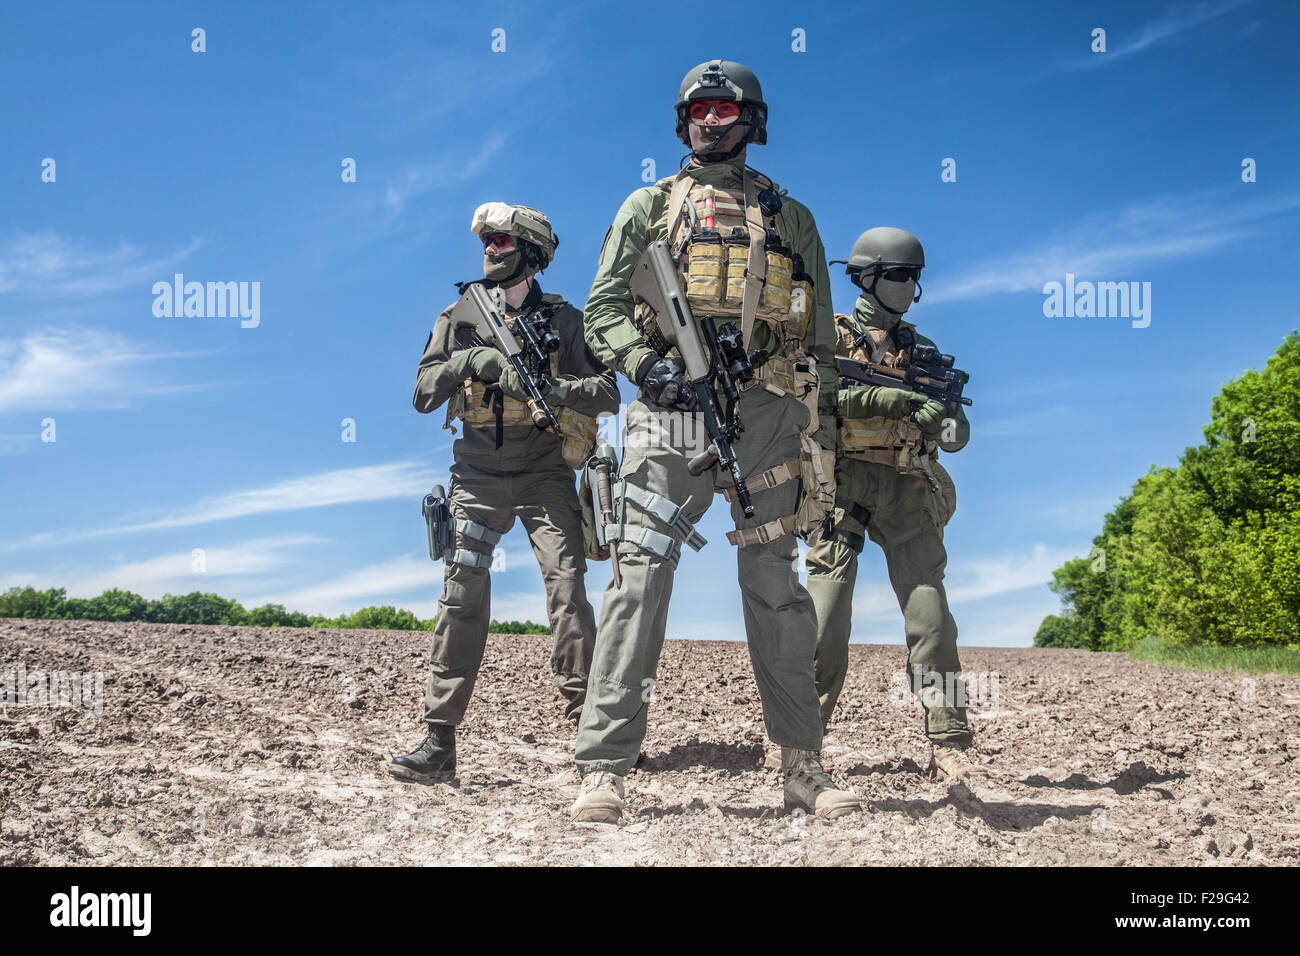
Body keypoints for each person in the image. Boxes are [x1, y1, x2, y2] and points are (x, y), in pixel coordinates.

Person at [569, 60, 860, 823]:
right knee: (638, 579)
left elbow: (822, 344)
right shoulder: (648, 206)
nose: (710, 117)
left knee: (773, 584)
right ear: (683, 121)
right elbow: (600, 312)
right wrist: (647, 366)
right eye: (697, 107)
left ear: (751, 119)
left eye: (725, 106)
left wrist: (821, 448)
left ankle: (803, 766)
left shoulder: (792, 218)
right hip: (668, 417)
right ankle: (603, 770)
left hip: (766, 416)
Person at [389, 202, 620, 784]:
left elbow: (608, 392)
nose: (490, 249)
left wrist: (554, 386)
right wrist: (473, 359)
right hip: (475, 477)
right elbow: (421, 392)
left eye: (501, 241)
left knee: (568, 592)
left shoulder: (566, 320)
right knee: (462, 597)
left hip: (546, 475)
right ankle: (439, 742)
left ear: (532, 252)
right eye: (486, 242)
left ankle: (593, 741)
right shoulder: (459, 315)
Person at [804, 227, 976, 781]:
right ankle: (803, 743)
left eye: (914, 278)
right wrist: (885, 398)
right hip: (841, 483)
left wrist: (941, 418)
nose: (910, 287)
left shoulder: (922, 353)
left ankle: (948, 738)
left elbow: (957, 435)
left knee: (931, 615)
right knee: (824, 621)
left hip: (905, 486)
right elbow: (812, 393)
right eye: (901, 275)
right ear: (867, 277)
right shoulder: (824, 335)